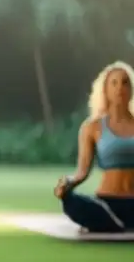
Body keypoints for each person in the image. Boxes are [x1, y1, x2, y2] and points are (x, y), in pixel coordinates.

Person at [53, 60, 134, 232]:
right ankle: (112, 223)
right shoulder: (92, 127)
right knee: (71, 202)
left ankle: (114, 226)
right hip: (106, 202)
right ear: (105, 90)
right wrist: (66, 184)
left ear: (131, 89)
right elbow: (81, 173)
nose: (120, 87)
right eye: (114, 83)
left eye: (125, 82)